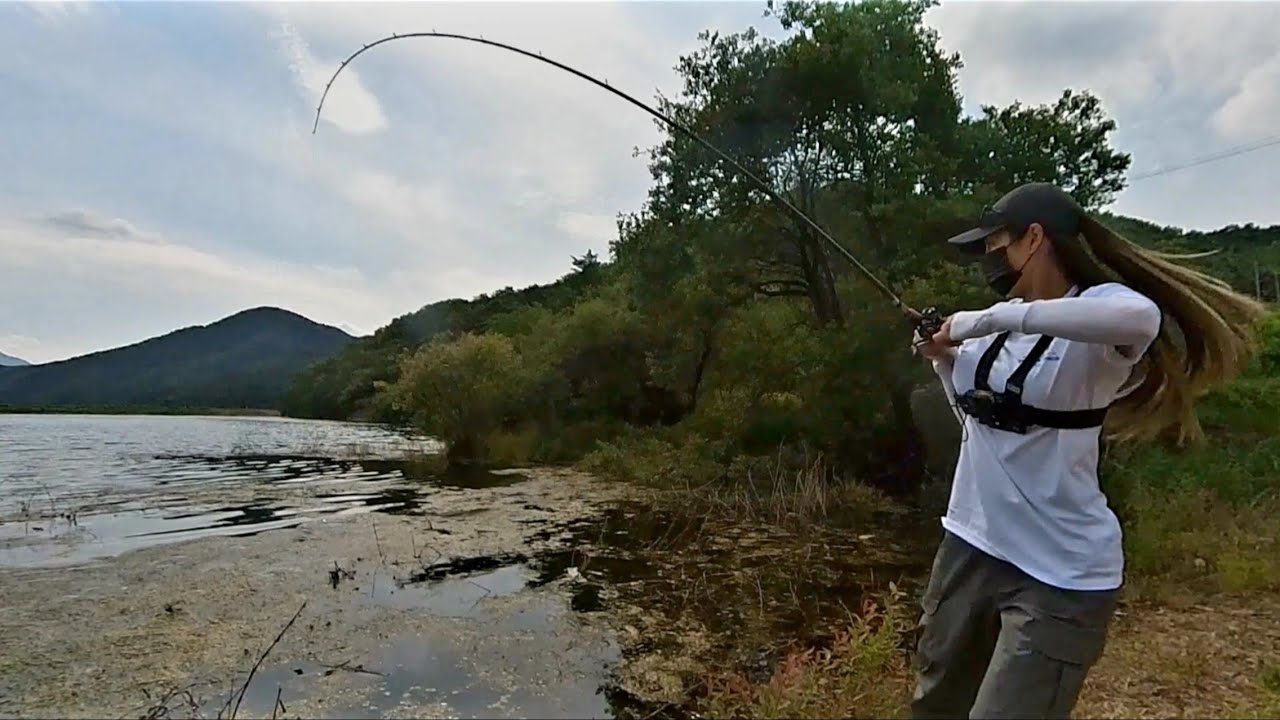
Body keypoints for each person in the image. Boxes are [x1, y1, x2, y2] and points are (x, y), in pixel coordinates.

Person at [908, 182, 1267, 719]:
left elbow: (1141, 319)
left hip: (1060, 572)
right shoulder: (994, 332)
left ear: (1035, 238)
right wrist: (941, 357)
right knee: (935, 705)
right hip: (971, 544)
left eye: (996, 246)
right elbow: (975, 424)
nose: (989, 262)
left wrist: (987, 319)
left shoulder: (1097, 313)